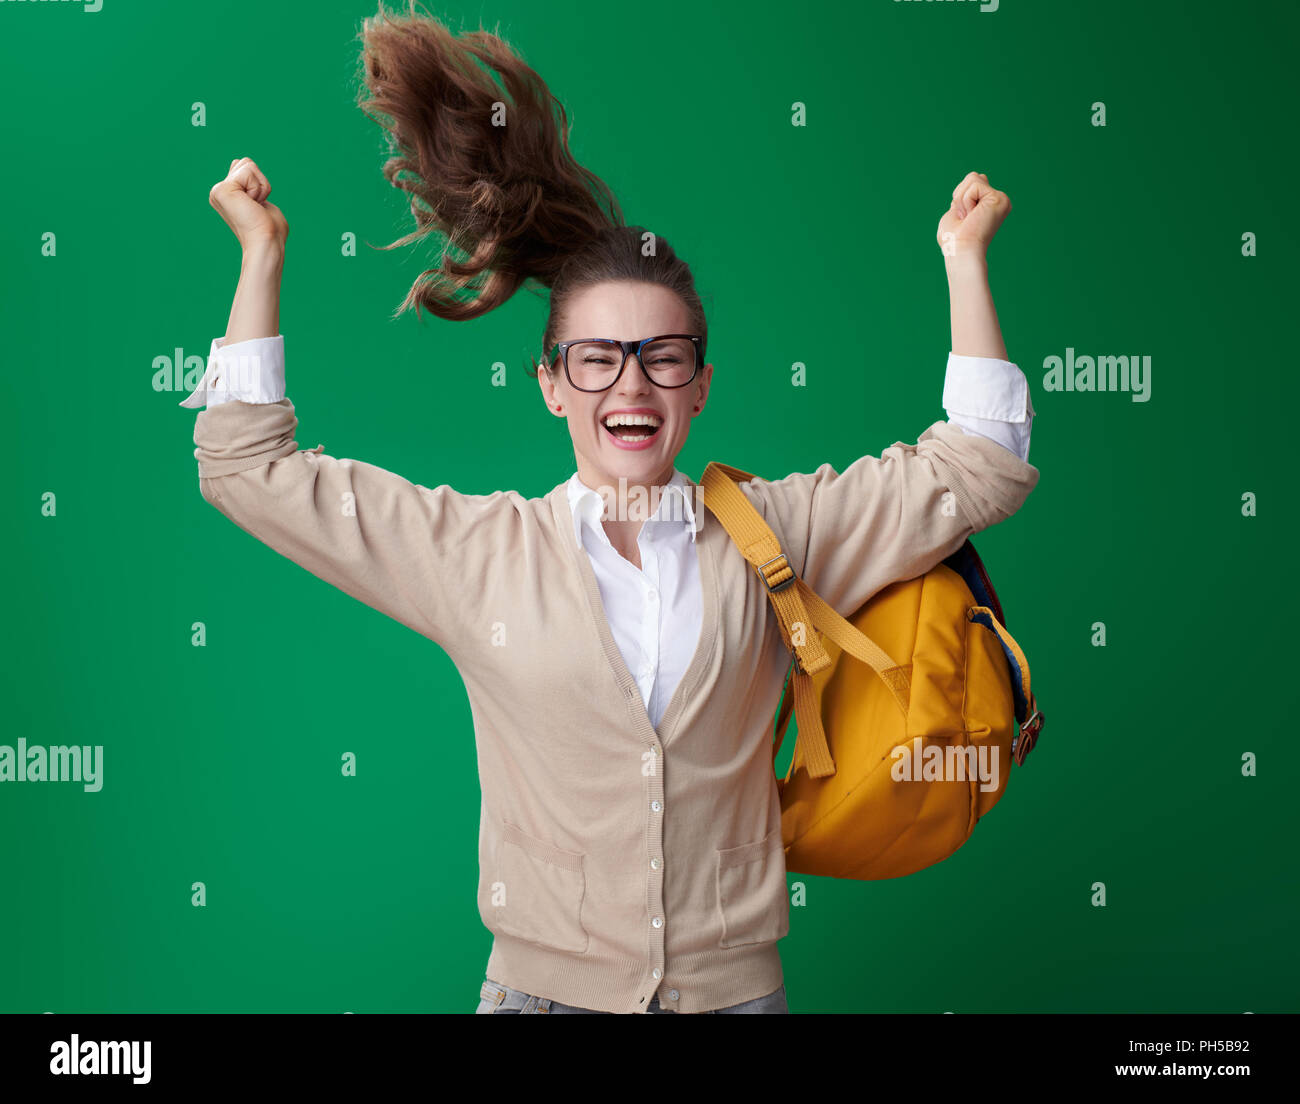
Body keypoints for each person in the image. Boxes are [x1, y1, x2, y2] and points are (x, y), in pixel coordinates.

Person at [181, 3, 1038, 1014]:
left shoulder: (778, 532)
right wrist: (260, 256)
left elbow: (979, 461)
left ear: (699, 385)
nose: (629, 385)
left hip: (734, 998)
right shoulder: (478, 553)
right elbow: (245, 468)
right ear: (552, 383)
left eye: (661, 356)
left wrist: (963, 258)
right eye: (596, 358)